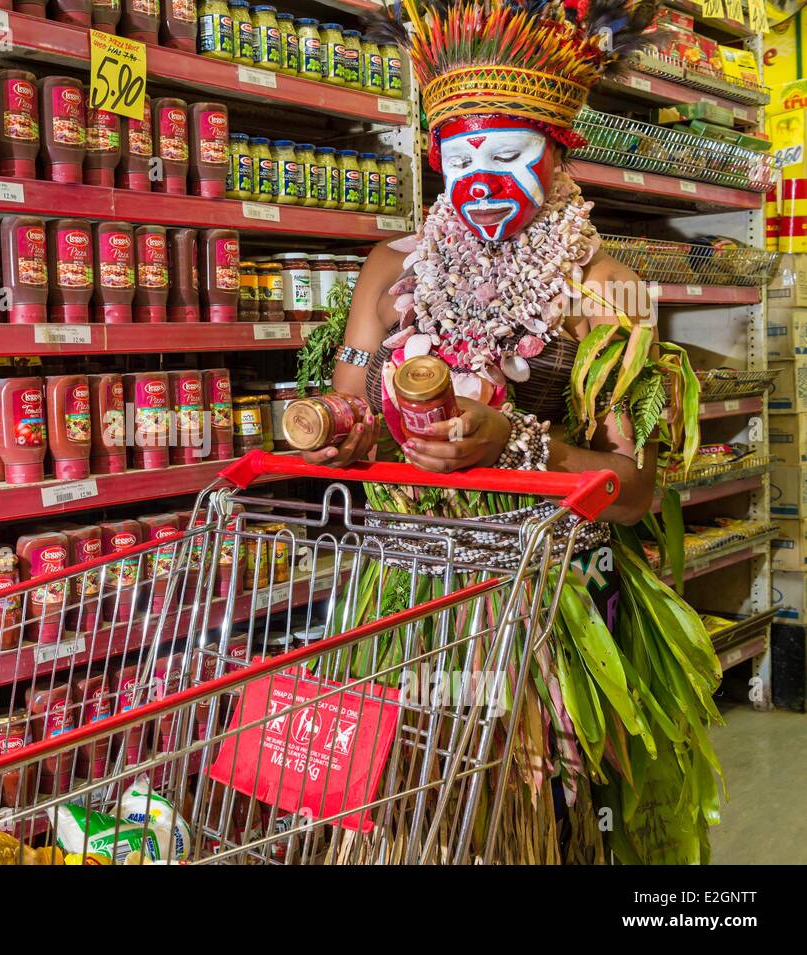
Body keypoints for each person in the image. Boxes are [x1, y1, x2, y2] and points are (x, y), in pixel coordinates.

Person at [302, 0, 722, 864]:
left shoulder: (608, 284)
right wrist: (342, 431)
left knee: (541, 825)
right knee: (415, 812)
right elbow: (349, 406)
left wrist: (524, 447)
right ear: (432, 156)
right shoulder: (391, 266)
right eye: (460, 156)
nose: (481, 177)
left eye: (508, 154)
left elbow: (637, 490)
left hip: (544, 605)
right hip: (411, 586)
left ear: (558, 153)